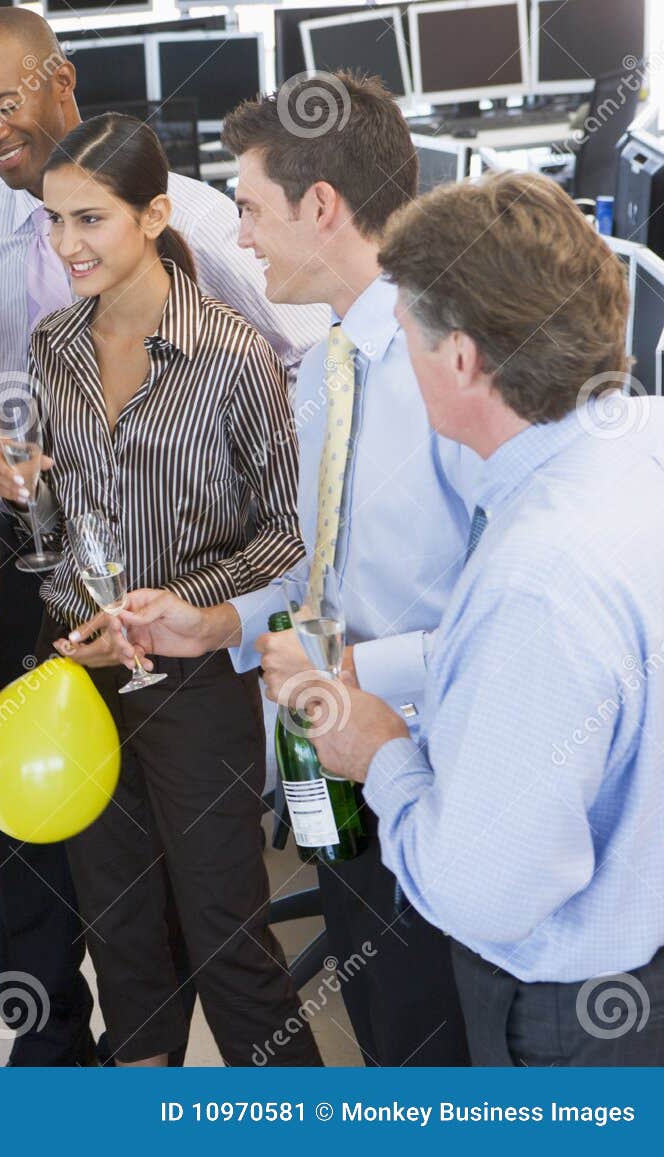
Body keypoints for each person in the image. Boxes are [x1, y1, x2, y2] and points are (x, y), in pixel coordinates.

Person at [0, 5, 329, 1064]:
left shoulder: (231, 354)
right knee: (121, 945)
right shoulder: (54, 349)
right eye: (55, 222)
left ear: (153, 216)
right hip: (90, 671)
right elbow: (64, 534)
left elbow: (280, 535)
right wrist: (29, 497)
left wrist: (198, 613)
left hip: (194, 679)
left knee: (227, 942)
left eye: (90, 222)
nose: (64, 245)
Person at [117, 73, 475, 1066]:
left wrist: (369, 671)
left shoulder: (457, 373)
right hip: (338, 761)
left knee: (438, 1052)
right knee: (383, 1026)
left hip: (438, 772)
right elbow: (311, 565)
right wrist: (215, 621)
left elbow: (524, 617)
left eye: (249, 208)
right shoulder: (326, 368)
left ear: (320, 206)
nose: (238, 238)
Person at [305, 172, 664, 1066]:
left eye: (410, 338)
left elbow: (476, 892)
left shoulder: (534, 576)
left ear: (460, 359)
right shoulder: (640, 452)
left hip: (567, 1019)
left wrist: (380, 752)